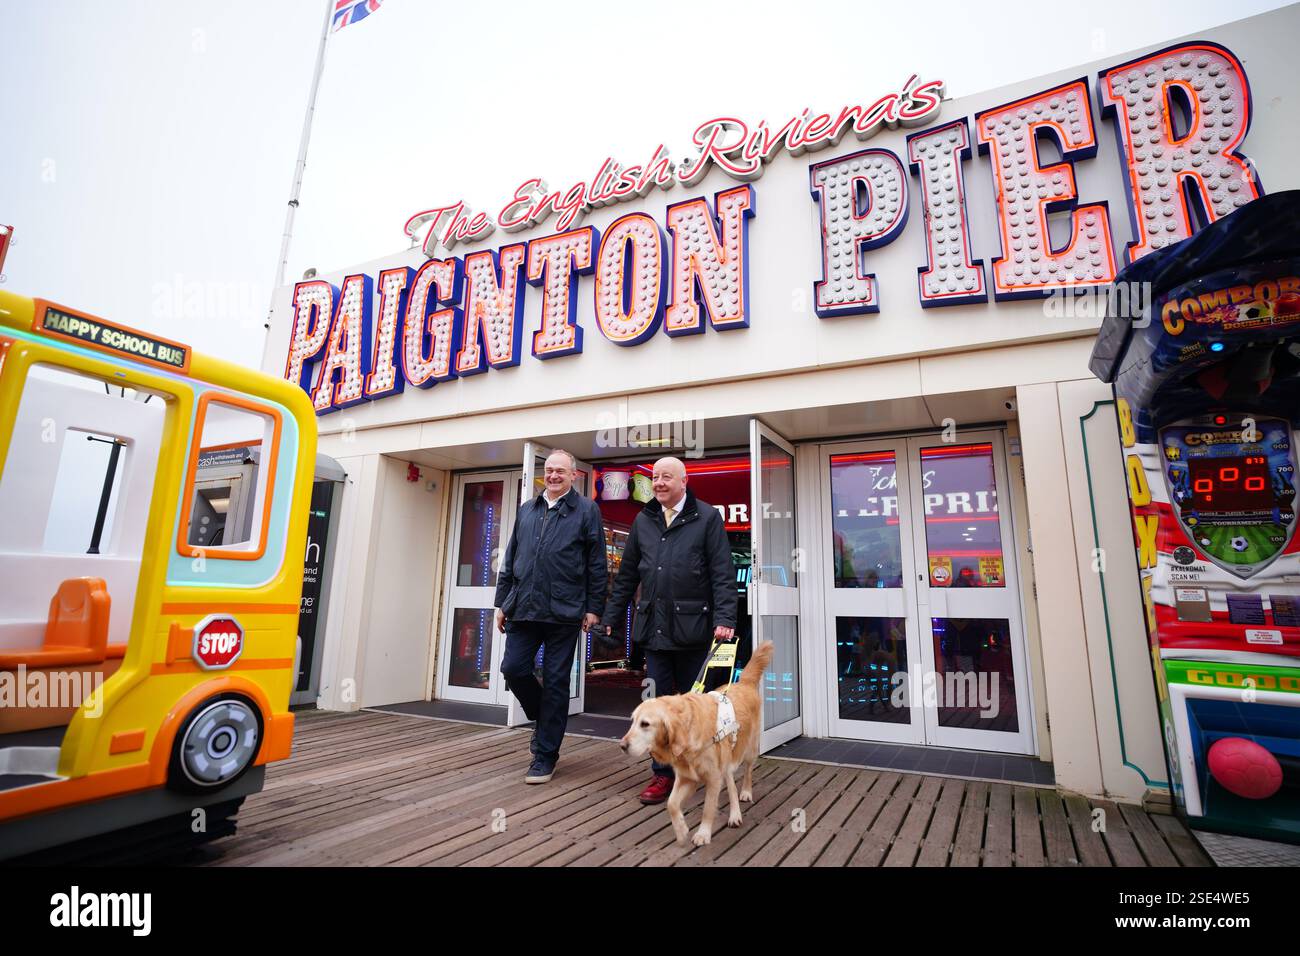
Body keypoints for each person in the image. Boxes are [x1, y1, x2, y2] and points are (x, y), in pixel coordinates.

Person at [601, 456, 737, 805]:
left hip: (695, 628)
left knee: (698, 708)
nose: (659, 483)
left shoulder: (707, 517)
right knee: (656, 710)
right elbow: (628, 574)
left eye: (666, 477)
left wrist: (726, 618)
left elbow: (722, 573)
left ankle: (704, 768)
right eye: (656, 477)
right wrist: (611, 617)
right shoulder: (643, 520)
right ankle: (662, 777)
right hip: (654, 631)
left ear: (683, 481)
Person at [495, 450, 607, 783]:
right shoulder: (527, 509)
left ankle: (545, 755)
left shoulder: (587, 510)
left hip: (564, 610)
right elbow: (511, 558)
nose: (554, 475)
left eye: (561, 470)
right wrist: (502, 603)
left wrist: (593, 608)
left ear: (575, 475)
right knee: (513, 669)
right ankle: (546, 719)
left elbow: (596, 564)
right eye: (549, 470)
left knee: (557, 682)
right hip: (524, 608)